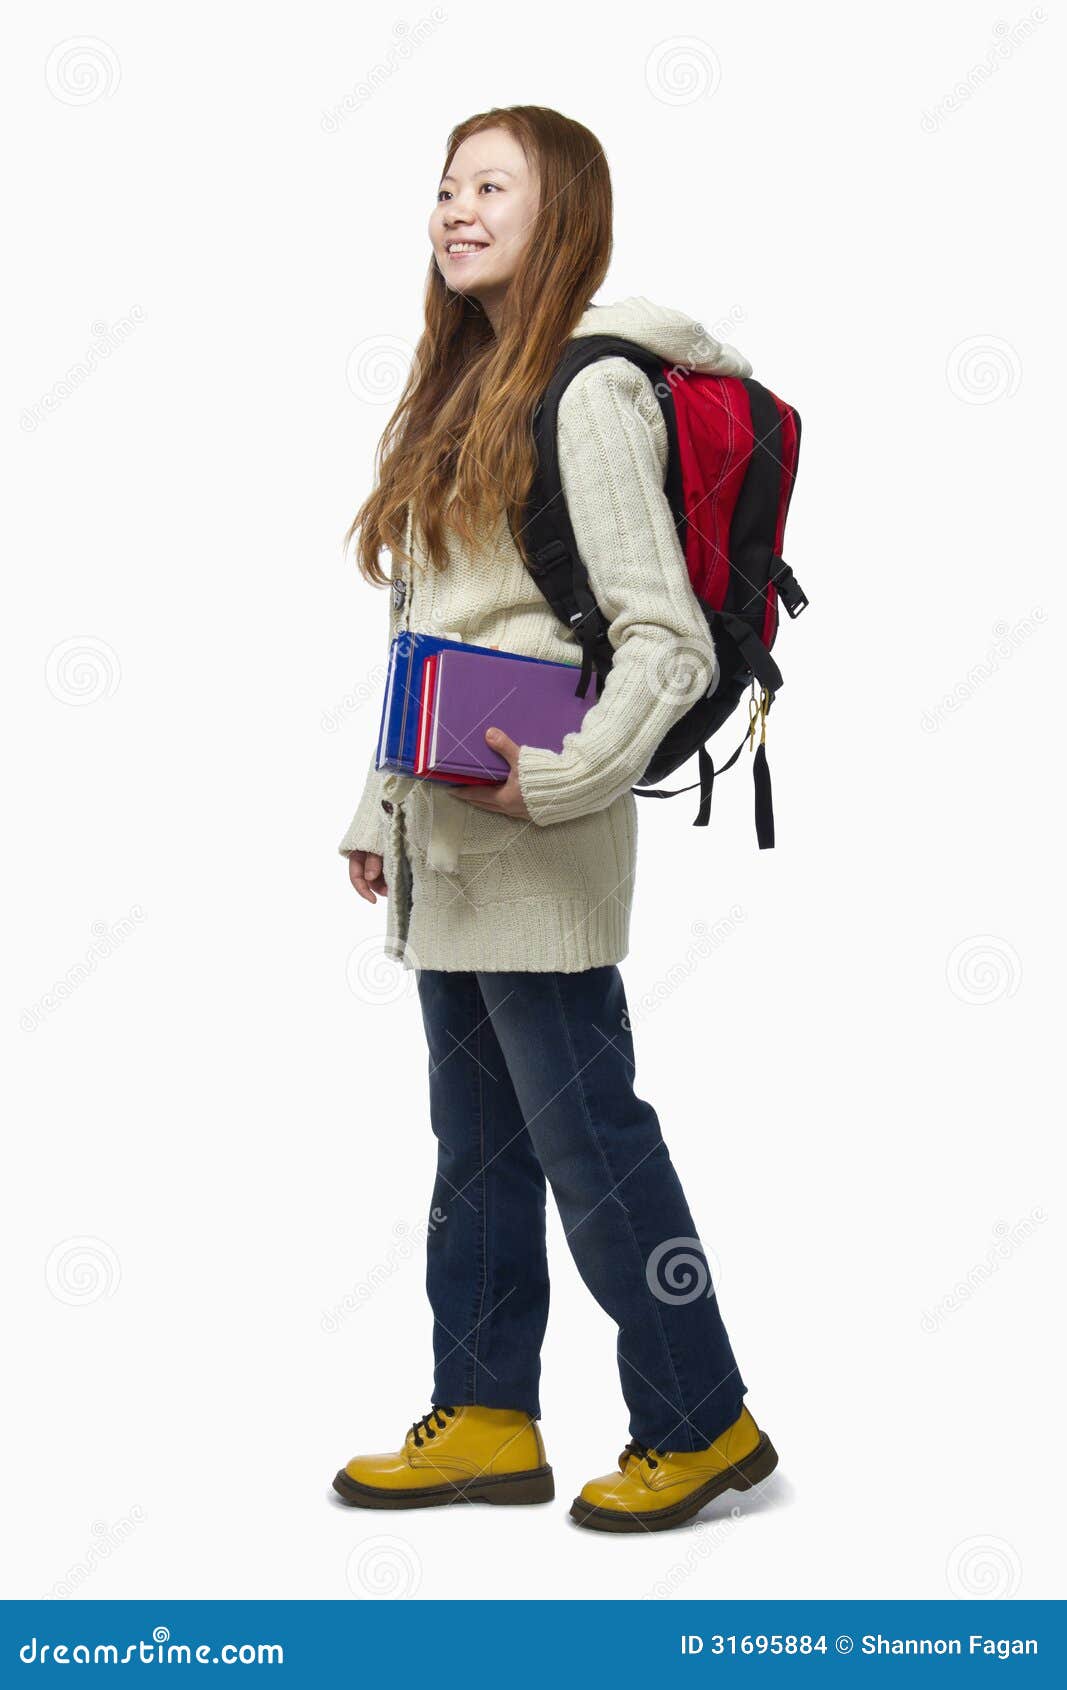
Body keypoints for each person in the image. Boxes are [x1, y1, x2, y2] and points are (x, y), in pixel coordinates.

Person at [330, 104, 778, 1533]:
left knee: (594, 1146)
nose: (456, 207)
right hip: (447, 850)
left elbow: (669, 645)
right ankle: (483, 1413)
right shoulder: (465, 386)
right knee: (474, 1146)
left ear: (562, 207)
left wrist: (566, 780)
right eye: (447, 184)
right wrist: (375, 805)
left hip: (538, 839)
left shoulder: (589, 390)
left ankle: (703, 1419)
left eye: (492, 186)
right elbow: (440, 629)